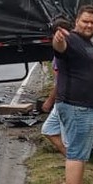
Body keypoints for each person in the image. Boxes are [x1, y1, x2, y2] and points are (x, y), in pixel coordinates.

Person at [52, 5, 93, 184]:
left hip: (86, 107)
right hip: (78, 106)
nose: (89, 25)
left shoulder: (87, 44)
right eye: (85, 21)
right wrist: (58, 40)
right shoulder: (70, 39)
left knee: (81, 152)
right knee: (77, 152)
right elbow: (60, 48)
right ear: (77, 20)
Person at [39, 19, 72, 156]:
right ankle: (71, 159)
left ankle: (75, 162)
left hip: (66, 101)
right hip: (62, 101)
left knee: (68, 140)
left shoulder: (63, 53)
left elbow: (60, 81)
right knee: (48, 129)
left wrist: (49, 101)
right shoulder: (64, 51)